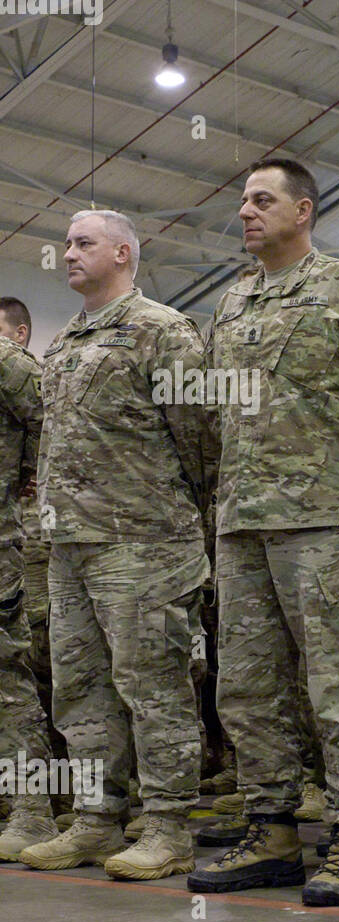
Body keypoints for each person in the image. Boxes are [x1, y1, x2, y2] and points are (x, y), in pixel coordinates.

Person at [187, 158, 339, 906]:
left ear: (304, 210)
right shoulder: (232, 302)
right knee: (248, 686)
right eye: (243, 199)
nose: (247, 212)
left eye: (263, 200)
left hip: (329, 517)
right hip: (245, 520)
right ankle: (273, 827)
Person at [19, 210, 213, 880]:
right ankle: (97, 821)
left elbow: (199, 437)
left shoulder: (163, 329)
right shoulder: (68, 339)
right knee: (80, 688)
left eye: (82, 243)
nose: (67, 253)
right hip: (69, 544)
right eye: (66, 243)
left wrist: (173, 517)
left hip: (144, 542)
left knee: (153, 685)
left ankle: (168, 826)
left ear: (123, 252)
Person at [0, 328, 59, 860]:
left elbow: (51, 429)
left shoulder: (8, 363)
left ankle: (32, 807)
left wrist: (24, 477)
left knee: (6, 677)